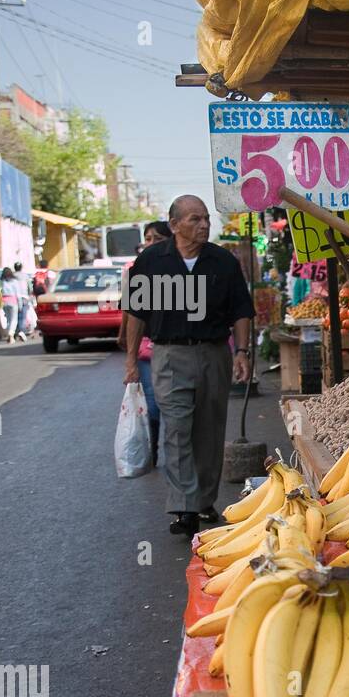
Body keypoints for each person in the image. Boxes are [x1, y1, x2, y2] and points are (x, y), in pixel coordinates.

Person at [123, 196, 253, 536]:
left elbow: (241, 310)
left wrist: (241, 352)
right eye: (195, 219)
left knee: (209, 431)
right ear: (175, 224)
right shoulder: (151, 261)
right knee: (177, 428)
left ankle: (203, 499)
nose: (204, 225)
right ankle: (184, 506)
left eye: (206, 219)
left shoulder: (223, 261)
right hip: (169, 355)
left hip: (214, 354)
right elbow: (135, 314)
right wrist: (131, 361)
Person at [118, 221, 174, 466]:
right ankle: (151, 449)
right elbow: (130, 310)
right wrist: (124, 338)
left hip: (174, 347)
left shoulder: (179, 267)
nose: (151, 244)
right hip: (146, 345)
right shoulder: (137, 268)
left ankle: (176, 455)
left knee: (172, 402)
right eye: (148, 239)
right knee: (151, 403)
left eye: (157, 239)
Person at [0, 268, 26, 343]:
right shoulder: (14, 281)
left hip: (4, 301)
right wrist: (20, 304)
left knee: (8, 319)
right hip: (13, 301)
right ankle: (11, 334)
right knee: (14, 319)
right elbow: (18, 294)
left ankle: (9, 334)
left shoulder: (2, 282)